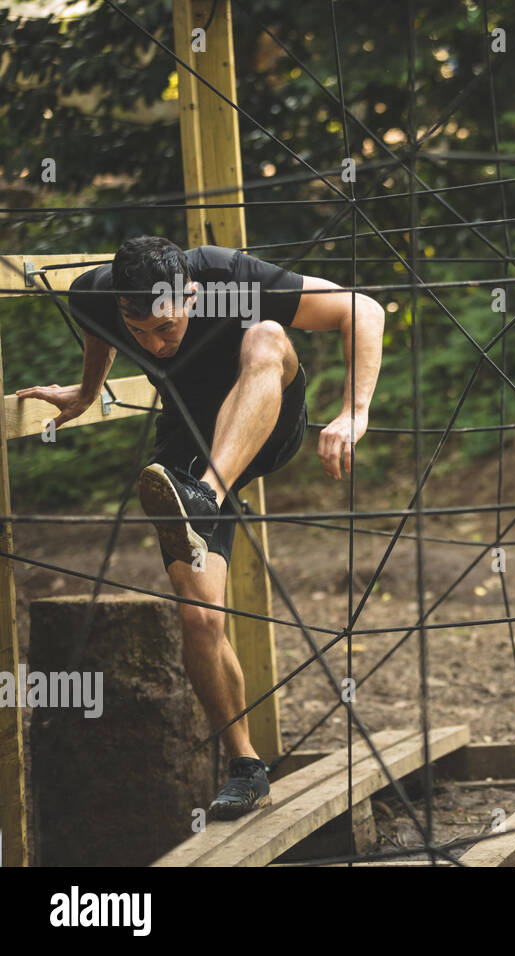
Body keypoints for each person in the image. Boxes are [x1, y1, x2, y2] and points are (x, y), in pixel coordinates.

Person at [16, 237, 385, 820]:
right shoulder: (97, 296)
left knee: (266, 334)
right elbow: (96, 330)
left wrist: (353, 412)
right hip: (189, 436)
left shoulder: (228, 277)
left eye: (167, 326)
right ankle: (245, 766)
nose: (157, 344)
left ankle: (205, 497)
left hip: (269, 416)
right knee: (199, 616)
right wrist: (87, 391)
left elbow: (363, 308)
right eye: (141, 334)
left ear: (191, 292)